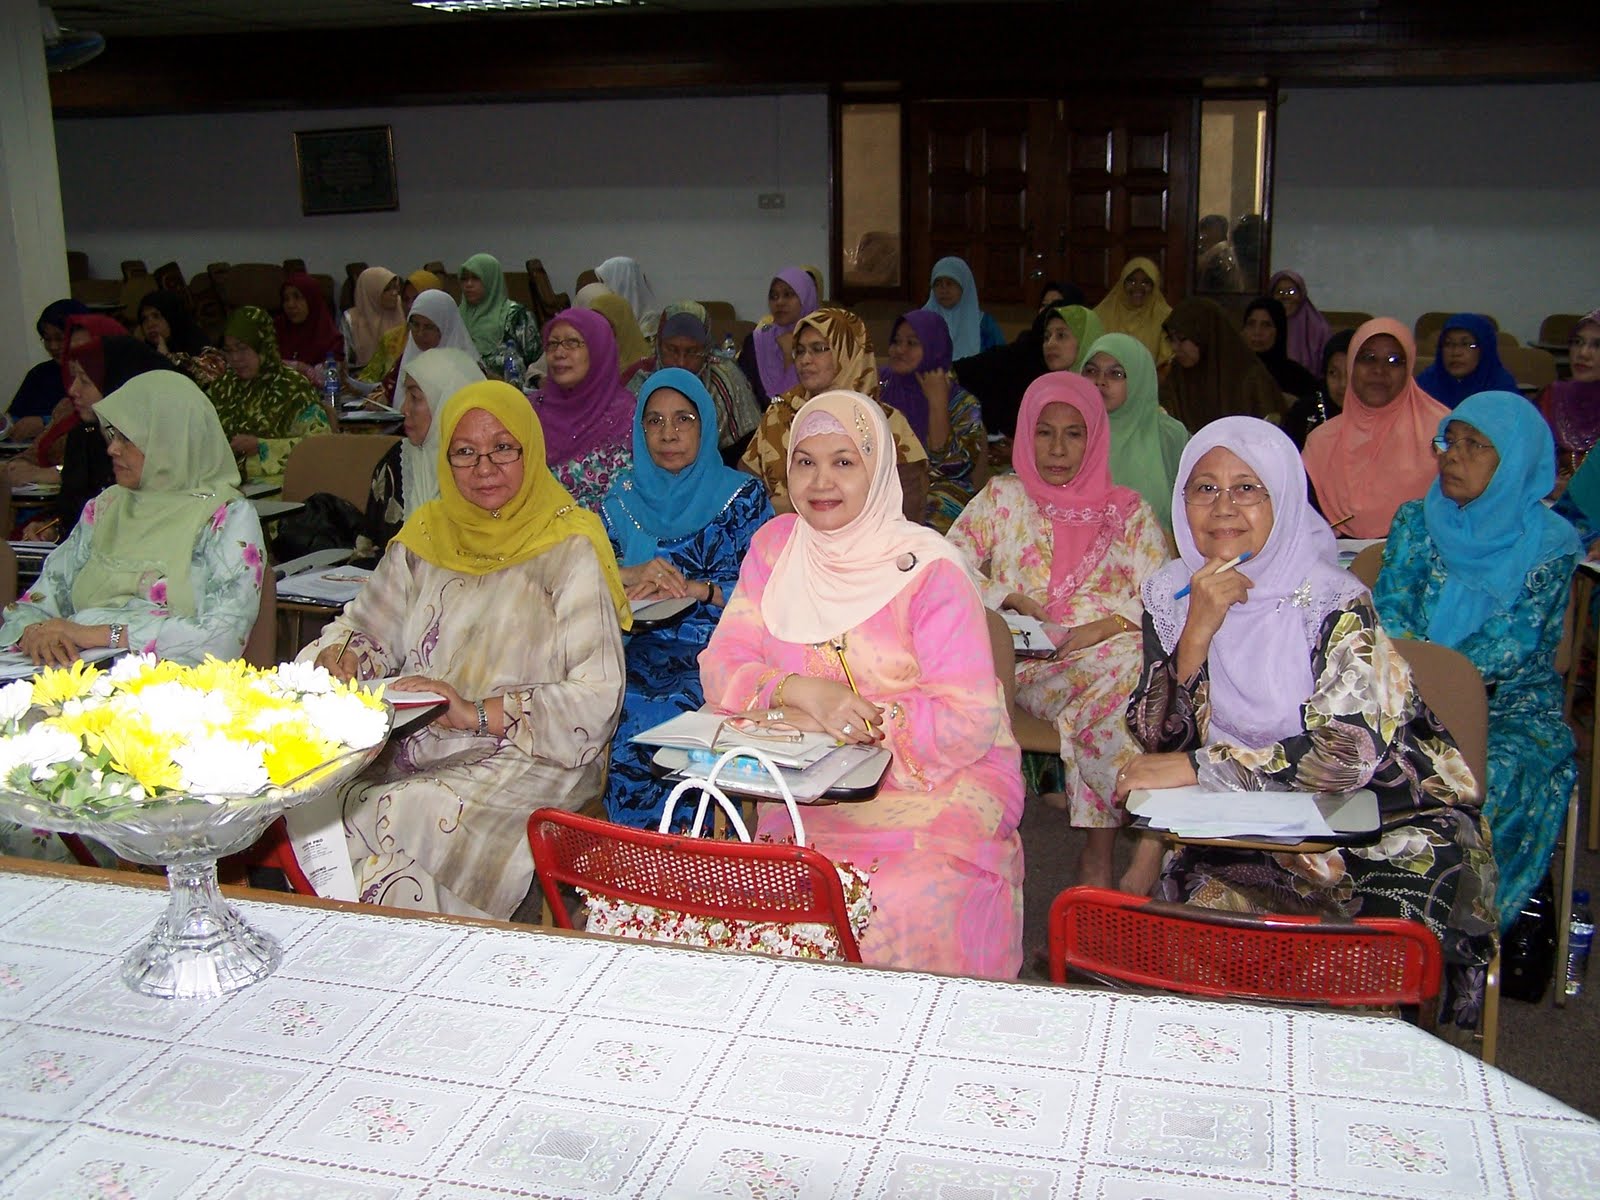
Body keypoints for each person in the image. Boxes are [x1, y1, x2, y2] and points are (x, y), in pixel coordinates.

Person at [1123, 416, 1497, 1028]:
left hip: (1385, 819)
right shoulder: (1172, 594)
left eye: (1248, 488)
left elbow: (1346, 754)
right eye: (1203, 488)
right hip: (1244, 826)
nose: (1223, 508)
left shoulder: (1335, 599)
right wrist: (1196, 637)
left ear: (1285, 498)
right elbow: (1158, 738)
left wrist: (1201, 767)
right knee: (1208, 950)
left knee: (1365, 974)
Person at [701, 389, 1024, 979]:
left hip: (938, 778)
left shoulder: (928, 570)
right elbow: (721, 666)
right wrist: (802, 693)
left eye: (844, 462)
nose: (821, 481)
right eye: (806, 461)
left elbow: (966, 719)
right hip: (804, 784)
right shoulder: (775, 550)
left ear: (876, 471)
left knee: (904, 897)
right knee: (781, 894)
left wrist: (853, 730)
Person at [305, 380, 629, 918]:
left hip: (536, 750)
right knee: (319, 797)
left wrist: (476, 713)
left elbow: (597, 698)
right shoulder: (427, 536)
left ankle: (427, 972)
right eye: (465, 452)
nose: (485, 468)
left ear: (531, 449)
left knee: (415, 810)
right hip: (421, 738)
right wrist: (342, 657)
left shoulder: (569, 546)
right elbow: (366, 626)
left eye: (503, 448)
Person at [948, 373, 1169, 890]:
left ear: (1096, 438)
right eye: (1044, 432)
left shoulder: (1129, 511)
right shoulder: (1002, 498)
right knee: (1137, 684)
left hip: (1111, 650)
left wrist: (1104, 626)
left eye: (1074, 434)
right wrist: (1007, 599)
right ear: (1026, 434)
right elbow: (945, 565)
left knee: (1125, 680)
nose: (1058, 449)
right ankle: (1145, 839)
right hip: (1029, 659)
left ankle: (1101, 849)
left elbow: (1161, 594)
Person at [1373, 391, 1578, 937]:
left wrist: (1441, 683)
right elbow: (1391, 614)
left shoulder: (1552, 544)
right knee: (1348, 764)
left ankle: (1457, 936)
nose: (1453, 456)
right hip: (1406, 694)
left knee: (1482, 781)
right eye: (1448, 441)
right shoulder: (1417, 520)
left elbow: (1512, 643)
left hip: (1509, 709)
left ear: (1513, 460)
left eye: (1475, 445)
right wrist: (1416, 688)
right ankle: (1377, 929)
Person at [600, 368, 773, 828]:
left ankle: (690, 853)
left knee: (672, 707)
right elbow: (580, 573)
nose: (668, 434)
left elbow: (772, 593)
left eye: (684, 419)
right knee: (613, 699)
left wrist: (703, 590)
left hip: (719, 647)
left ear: (706, 426)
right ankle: (633, 863)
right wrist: (626, 578)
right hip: (635, 645)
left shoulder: (743, 498)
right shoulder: (620, 498)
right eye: (654, 422)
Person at [0, 372, 266, 665]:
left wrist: (98, 634)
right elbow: (39, 601)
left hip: (169, 686)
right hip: (73, 673)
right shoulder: (106, 506)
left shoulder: (225, 516)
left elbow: (222, 638)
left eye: (128, 438)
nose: (112, 448)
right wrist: (35, 632)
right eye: (113, 435)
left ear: (170, 441)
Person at [739, 308, 929, 521]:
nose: (805, 360)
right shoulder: (781, 412)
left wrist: (792, 507)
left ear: (849, 352)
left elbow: (907, 507)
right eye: (799, 351)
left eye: (818, 349)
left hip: (867, 544)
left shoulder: (884, 422)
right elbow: (746, 493)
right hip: (780, 540)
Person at [1302, 318, 1450, 538]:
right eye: (1368, 358)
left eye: (1394, 360)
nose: (1379, 370)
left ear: (1409, 368)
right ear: (1351, 365)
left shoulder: (1444, 432)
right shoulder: (1321, 442)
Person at [26, 335, 180, 544]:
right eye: (74, 379)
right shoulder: (84, 436)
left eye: (85, 381)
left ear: (117, 384)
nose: (73, 391)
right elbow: (69, 510)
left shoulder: (159, 444)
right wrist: (53, 529)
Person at [362, 346, 485, 557]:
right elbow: (370, 549)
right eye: (405, 395)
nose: (404, 409)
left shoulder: (487, 468)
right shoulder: (396, 463)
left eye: (415, 398)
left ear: (447, 402)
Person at [879, 310, 987, 531]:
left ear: (933, 347)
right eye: (896, 342)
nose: (900, 350)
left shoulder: (962, 402)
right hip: (884, 481)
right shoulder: (879, 386)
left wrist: (937, 404)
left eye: (912, 343)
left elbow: (952, 468)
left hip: (939, 489)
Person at [198, 306, 332, 484]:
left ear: (264, 347)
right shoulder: (223, 387)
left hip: (279, 487)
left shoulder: (291, 387)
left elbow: (320, 445)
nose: (235, 358)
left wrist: (262, 446)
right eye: (229, 350)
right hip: (224, 486)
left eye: (243, 349)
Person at [630, 301, 762, 464]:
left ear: (706, 349)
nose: (681, 362)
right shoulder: (643, 382)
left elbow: (746, 450)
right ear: (658, 346)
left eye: (692, 352)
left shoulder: (725, 381)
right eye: (672, 350)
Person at [529, 307, 635, 510]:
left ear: (598, 349)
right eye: (553, 344)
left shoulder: (625, 414)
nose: (559, 353)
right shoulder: (532, 410)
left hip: (601, 535)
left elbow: (623, 500)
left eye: (572, 343)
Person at [952, 293, 1098, 438]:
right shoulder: (1040, 390)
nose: (1050, 344)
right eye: (1046, 337)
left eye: (1061, 335)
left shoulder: (1100, 392)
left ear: (1084, 339)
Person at [1083, 332, 1189, 532]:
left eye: (1116, 374)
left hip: (1159, 555)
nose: (1100, 381)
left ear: (1140, 378)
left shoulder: (1168, 435)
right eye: (1091, 371)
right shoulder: (1073, 431)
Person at [9, 313, 127, 484]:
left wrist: (55, 473)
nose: (77, 357)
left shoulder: (132, 413)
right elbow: (32, 454)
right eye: (72, 351)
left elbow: (110, 469)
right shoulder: (67, 406)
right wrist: (19, 465)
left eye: (86, 350)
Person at [1159, 297, 1285, 432]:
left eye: (1182, 339)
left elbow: (1268, 434)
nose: (1175, 347)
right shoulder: (1176, 375)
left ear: (1205, 335)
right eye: (1171, 339)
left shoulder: (1249, 377)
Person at [6, 300, 88, 442]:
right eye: (47, 339)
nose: (53, 346)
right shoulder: (39, 374)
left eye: (60, 338)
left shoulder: (100, 372)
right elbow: (13, 418)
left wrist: (45, 423)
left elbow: (99, 418)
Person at [1537, 308, 1600, 487]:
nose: (1583, 353)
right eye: (1577, 342)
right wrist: (1546, 484)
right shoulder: (1550, 398)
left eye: (1598, 345)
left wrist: (1576, 491)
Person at [738, 267, 819, 401]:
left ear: (806, 298)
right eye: (773, 297)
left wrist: (790, 357)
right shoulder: (756, 342)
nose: (779, 302)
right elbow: (743, 398)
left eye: (788, 295)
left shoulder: (824, 342)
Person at [458, 252, 541, 381]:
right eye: (464, 279)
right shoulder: (457, 316)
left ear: (491, 280)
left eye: (475, 278)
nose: (468, 284)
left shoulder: (515, 315)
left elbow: (536, 361)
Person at [1416, 314, 1519, 410]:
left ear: (1485, 349)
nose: (1455, 352)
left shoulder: (1501, 389)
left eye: (1468, 344)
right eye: (1447, 344)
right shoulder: (1426, 383)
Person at [1093, 257, 1173, 369]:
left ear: (1155, 286)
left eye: (1146, 282)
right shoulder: (1102, 313)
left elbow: (1167, 363)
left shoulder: (1165, 317)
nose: (1138, 287)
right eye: (1132, 281)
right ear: (1122, 283)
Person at [1281, 328, 1353, 451]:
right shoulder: (1304, 413)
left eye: (1351, 374)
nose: (1342, 384)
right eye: (1333, 373)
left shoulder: (1380, 419)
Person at [1240, 296, 1321, 404]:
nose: (1257, 332)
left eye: (1266, 325)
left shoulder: (1298, 378)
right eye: (1251, 324)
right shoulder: (1231, 372)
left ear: (1279, 332)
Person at [923, 256, 1005, 358]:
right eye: (937, 284)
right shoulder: (921, 322)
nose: (943, 290)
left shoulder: (985, 325)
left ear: (964, 286)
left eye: (950, 283)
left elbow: (1001, 361)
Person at [274, 272, 344, 381]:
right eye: (286, 299)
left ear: (312, 301)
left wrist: (303, 369)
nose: (290, 305)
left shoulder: (331, 338)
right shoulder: (275, 329)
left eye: (297, 297)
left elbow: (330, 379)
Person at [1267, 270, 1334, 374]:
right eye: (1279, 292)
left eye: (1291, 292)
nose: (1285, 297)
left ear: (1301, 295)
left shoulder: (1319, 328)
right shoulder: (1264, 324)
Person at [342, 266, 405, 372]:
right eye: (387, 289)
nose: (394, 293)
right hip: (361, 377)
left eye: (395, 288)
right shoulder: (351, 318)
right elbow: (345, 359)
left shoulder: (403, 308)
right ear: (371, 292)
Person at [587, 291, 653, 386]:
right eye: (592, 324)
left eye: (604, 325)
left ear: (622, 327)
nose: (596, 332)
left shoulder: (644, 372)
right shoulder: (588, 365)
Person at [136, 289, 211, 372]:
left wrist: (167, 361)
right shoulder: (144, 355)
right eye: (144, 319)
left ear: (172, 317)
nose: (150, 325)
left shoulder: (199, 347)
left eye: (156, 316)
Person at [594, 255, 660, 337]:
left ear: (619, 284)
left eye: (605, 283)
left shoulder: (650, 319)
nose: (603, 289)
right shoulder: (611, 316)